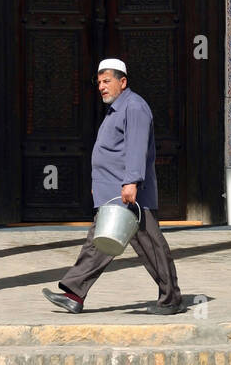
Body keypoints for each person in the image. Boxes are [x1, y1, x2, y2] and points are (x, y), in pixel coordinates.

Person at [43, 58, 183, 315]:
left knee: (151, 245)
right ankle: (74, 294)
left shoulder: (134, 107)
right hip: (112, 193)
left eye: (107, 81)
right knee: (98, 243)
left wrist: (131, 182)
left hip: (130, 194)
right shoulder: (116, 109)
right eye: (99, 82)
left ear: (123, 82)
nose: (101, 87)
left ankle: (171, 299)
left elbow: (136, 147)